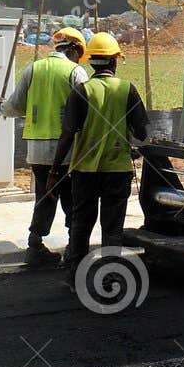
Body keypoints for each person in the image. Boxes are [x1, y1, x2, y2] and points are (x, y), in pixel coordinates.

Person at [55, 31, 148, 281]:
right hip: (117, 170)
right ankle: (110, 277)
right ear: (115, 60)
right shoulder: (128, 90)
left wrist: (56, 169)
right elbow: (142, 131)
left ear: (90, 61)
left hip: (84, 171)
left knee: (81, 224)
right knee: (112, 227)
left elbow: (67, 134)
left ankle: (75, 276)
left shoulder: (82, 90)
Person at [0, 27, 89, 266]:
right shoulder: (76, 72)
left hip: (37, 150)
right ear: (73, 48)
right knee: (72, 198)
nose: (80, 57)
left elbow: (15, 107)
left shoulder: (33, 69)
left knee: (45, 197)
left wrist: (0, 107)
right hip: (68, 150)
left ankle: (35, 244)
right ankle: (74, 246)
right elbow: (87, 108)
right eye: (80, 52)